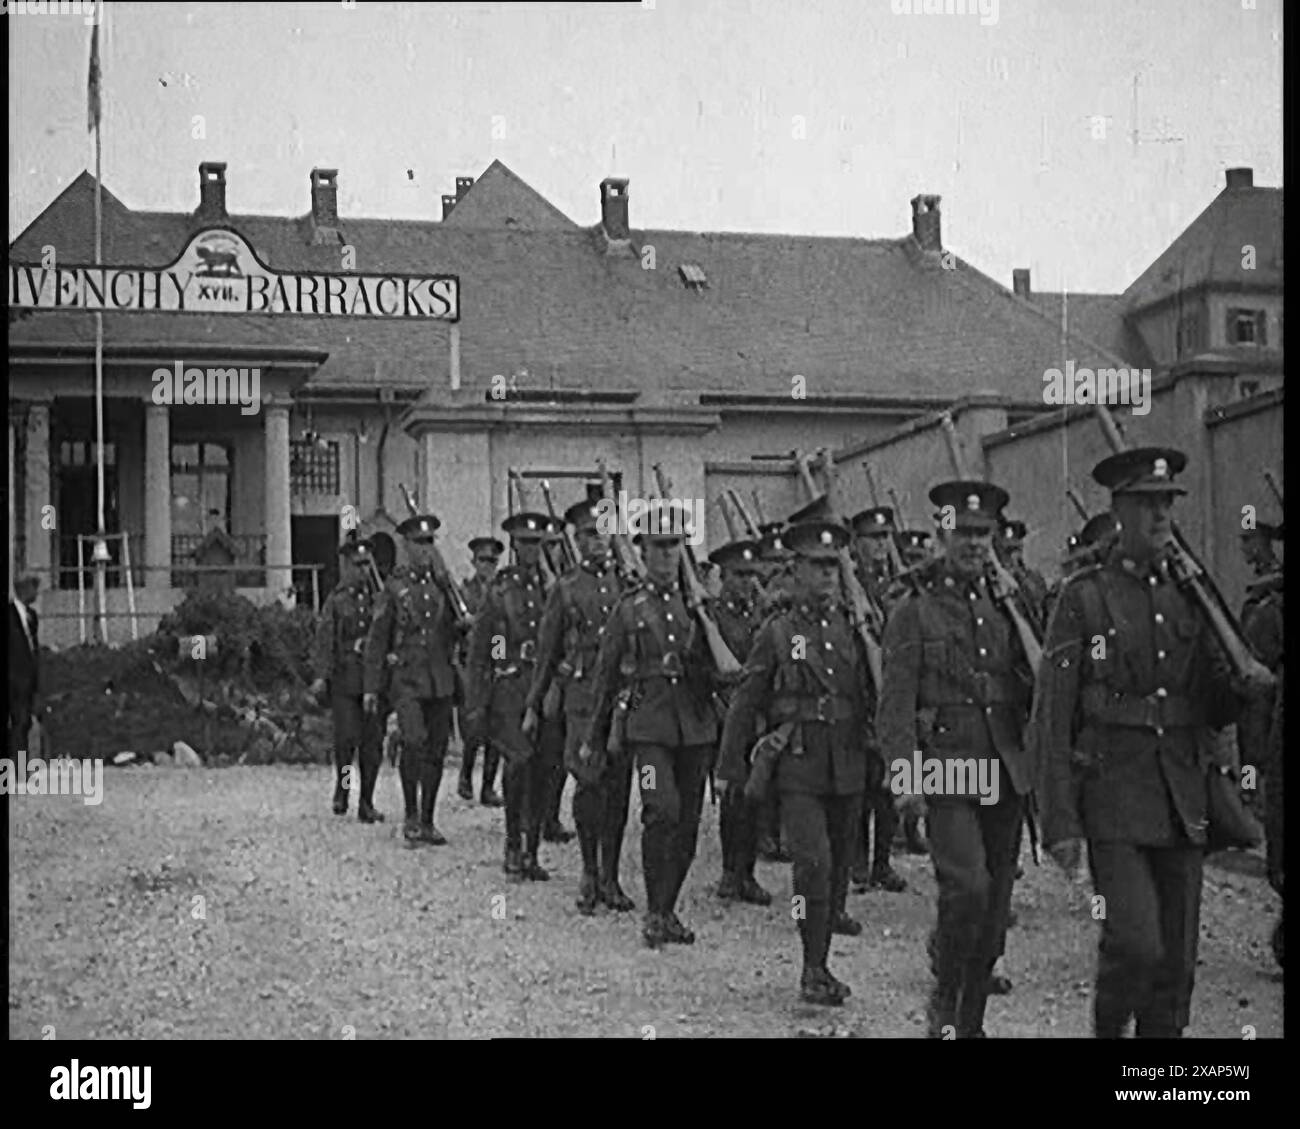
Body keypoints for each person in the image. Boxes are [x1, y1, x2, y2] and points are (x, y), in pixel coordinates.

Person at [1033, 447, 1267, 1037]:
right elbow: (1053, 716)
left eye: (1167, 503)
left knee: (1177, 965)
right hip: (1113, 798)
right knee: (1134, 942)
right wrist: (1059, 822)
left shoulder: (1190, 591)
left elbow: (1211, 705)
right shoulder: (1083, 597)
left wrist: (1242, 688)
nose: (1161, 516)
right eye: (1146, 505)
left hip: (1183, 796)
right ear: (1118, 511)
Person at [878, 480, 1036, 1038]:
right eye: (962, 532)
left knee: (994, 912)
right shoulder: (913, 611)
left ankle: (969, 1022)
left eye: (982, 533)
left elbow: (1041, 681)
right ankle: (945, 993)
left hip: (1005, 768)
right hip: (946, 769)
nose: (973, 543)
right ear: (943, 534)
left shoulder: (1012, 603)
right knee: (967, 888)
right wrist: (906, 778)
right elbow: (893, 706)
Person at [717, 520, 875, 1005]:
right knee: (811, 864)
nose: (827, 575)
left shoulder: (856, 627)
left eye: (833, 566)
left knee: (839, 867)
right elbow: (747, 700)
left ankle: (822, 958)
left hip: (848, 762)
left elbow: (876, 694)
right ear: (796, 570)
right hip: (800, 767)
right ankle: (813, 965)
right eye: (817, 566)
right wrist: (729, 768)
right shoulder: (779, 631)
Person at [581, 498, 721, 948]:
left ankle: (666, 908)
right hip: (648, 726)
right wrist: (593, 737)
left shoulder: (699, 605)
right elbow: (604, 675)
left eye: (673, 545)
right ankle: (653, 913)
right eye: (658, 546)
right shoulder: (629, 609)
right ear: (642, 552)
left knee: (688, 824)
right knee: (660, 809)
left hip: (695, 725)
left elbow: (725, 666)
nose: (666, 554)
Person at [525, 499, 629, 913]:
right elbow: (547, 654)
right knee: (589, 784)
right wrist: (534, 704)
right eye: (588, 534)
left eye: (603, 531)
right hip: (583, 700)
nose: (597, 540)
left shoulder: (627, 584)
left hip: (621, 699)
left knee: (619, 791)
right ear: (577, 540)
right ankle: (589, 871)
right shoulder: (565, 589)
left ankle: (612, 876)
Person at [465, 512, 562, 881]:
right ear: (515, 547)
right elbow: (482, 652)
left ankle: (532, 848)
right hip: (511, 686)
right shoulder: (500, 591)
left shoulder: (554, 588)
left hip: (546, 688)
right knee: (518, 764)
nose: (531, 550)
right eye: (524, 543)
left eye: (537, 543)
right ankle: (511, 843)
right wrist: (477, 702)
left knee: (544, 769)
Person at [364, 512, 460, 847]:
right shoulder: (394, 587)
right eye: (419, 543)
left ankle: (429, 819)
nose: (425, 549)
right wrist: (371, 688)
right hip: (406, 678)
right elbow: (378, 640)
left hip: (439, 678)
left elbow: (455, 630)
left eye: (430, 542)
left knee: (436, 749)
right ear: (406, 546)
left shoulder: (444, 587)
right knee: (414, 741)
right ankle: (410, 814)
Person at [847, 506, 908, 893]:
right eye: (873, 539)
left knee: (890, 781)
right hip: (857, 692)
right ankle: (857, 859)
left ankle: (882, 861)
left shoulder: (898, 586)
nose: (881, 546)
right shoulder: (847, 584)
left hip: (893, 690)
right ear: (857, 544)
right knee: (859, 782)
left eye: (886, 538)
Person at [708, 538, 771, 907]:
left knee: (756, 796)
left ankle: (748, 872)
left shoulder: (762, 616)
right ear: (723, 576)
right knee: (731, 795)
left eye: (751, 574)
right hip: (724, 713)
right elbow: (704, 666)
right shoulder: (714, 616)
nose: (746, 582)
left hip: (758, 717)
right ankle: (731, 872)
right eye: (739, 575)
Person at [311, 539, 385, 822]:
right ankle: (343, 789)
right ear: (346, 566)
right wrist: (321, 675)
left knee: (373, 743)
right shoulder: (337, 600)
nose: (363, 570)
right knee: (346, 740)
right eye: (358, 565)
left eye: (367, 564)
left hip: (373, 681)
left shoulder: (380, 598)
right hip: (346, 679)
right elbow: (325, 639)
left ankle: (366, 801)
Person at [457, 536, 504, 805]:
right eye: (483, 560)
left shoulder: (502, 592)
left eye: (492, 561)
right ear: (474, 562)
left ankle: (488, 787)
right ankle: (465, 775)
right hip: (471, 664)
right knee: (474, 723)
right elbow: (454, 625)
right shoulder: (465, 592)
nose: (488, 566)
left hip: (496, 662)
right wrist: (466, 623)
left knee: (496, 728)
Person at [538, 516, 576, 846]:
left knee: (560, 757)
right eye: (547, 544)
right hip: (534, 678)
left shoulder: (571, 581)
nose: (552, 550)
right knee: (534, 757)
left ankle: (550, 816)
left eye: (556, 544)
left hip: (568, 678)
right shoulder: (525, 585)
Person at [9, 573, 42, 758]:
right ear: (24, 589)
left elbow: (33, 651)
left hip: (27, 685)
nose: (37, 592)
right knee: (15, 728)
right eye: (34, 587)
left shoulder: (32, 617)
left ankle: (21, 773)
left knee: (22, 727)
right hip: (12, 684)